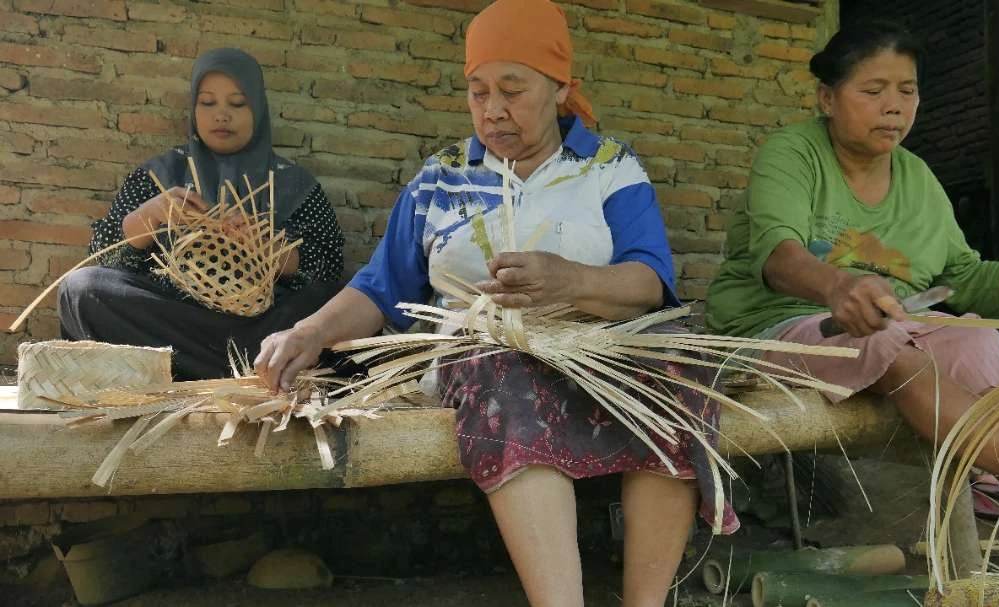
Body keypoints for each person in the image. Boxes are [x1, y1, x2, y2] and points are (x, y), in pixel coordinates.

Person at [255, 1, 739, 604]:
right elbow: (381, 288)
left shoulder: (608, 167)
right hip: (483, 353)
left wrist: (570, 282)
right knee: (507, 377)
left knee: (677, 374)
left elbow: (649, 280)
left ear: (561, 88)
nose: (493, 109)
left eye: (513, 89)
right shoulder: (442, 177)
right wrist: (309, 331)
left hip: (600, 353)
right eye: (478, 91)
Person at [707, 20, 999, 591]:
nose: (894, 107)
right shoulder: (794, 152)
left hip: (893, 329)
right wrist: (836, 287)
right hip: (770, 328)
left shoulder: (918, 178)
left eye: (907, 91)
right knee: (889, 344)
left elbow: (969, 281)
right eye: (873, 90)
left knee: (978, 339)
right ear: (827, 98)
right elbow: (778, 257)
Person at [58, 48, 344, 380]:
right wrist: (149, 217)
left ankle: (202, 370)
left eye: (237, 104)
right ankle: (238, 373)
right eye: (208, 103)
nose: (221, 115)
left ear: (259, 110)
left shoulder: (294, 183)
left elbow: (329, 265)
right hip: (172, 320)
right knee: (82, 288)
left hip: (261, 329)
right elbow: (107, 259)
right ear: (194, 108)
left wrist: (270, 249)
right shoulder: (159, 175)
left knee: (336, 303)